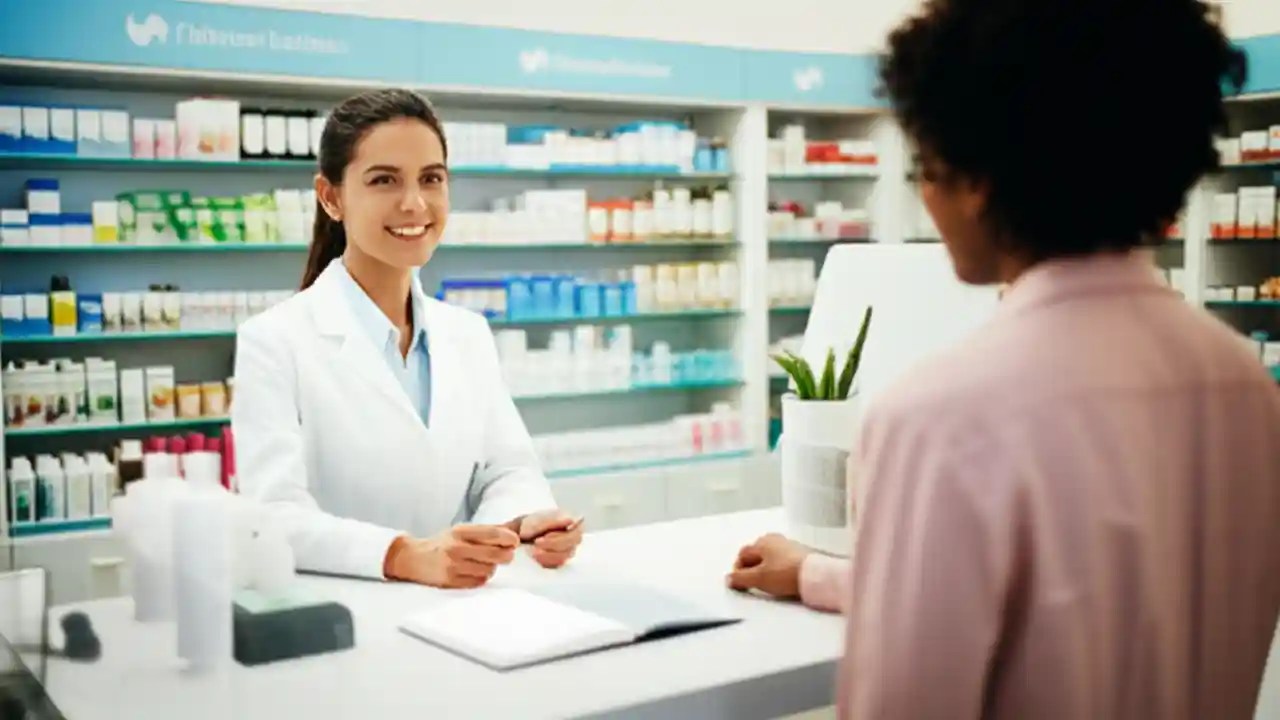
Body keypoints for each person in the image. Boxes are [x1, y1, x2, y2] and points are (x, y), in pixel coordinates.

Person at [730, 1, 1280, 718]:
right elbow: (1071, 598)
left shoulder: (941, 418)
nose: (924, 193)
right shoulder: (1243, 385)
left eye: (926, 165)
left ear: (978, 179)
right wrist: (814, 574)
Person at [232, 89, 583, 589]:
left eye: (431, 179)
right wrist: (402, 555)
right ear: (331, 197)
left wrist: (522, 523)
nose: (414, 203)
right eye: (384, 180)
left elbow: (509, 471)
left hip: (465, 607)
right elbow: (272, 515)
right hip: (347, 611)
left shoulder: (466, 333)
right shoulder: (273, 341)